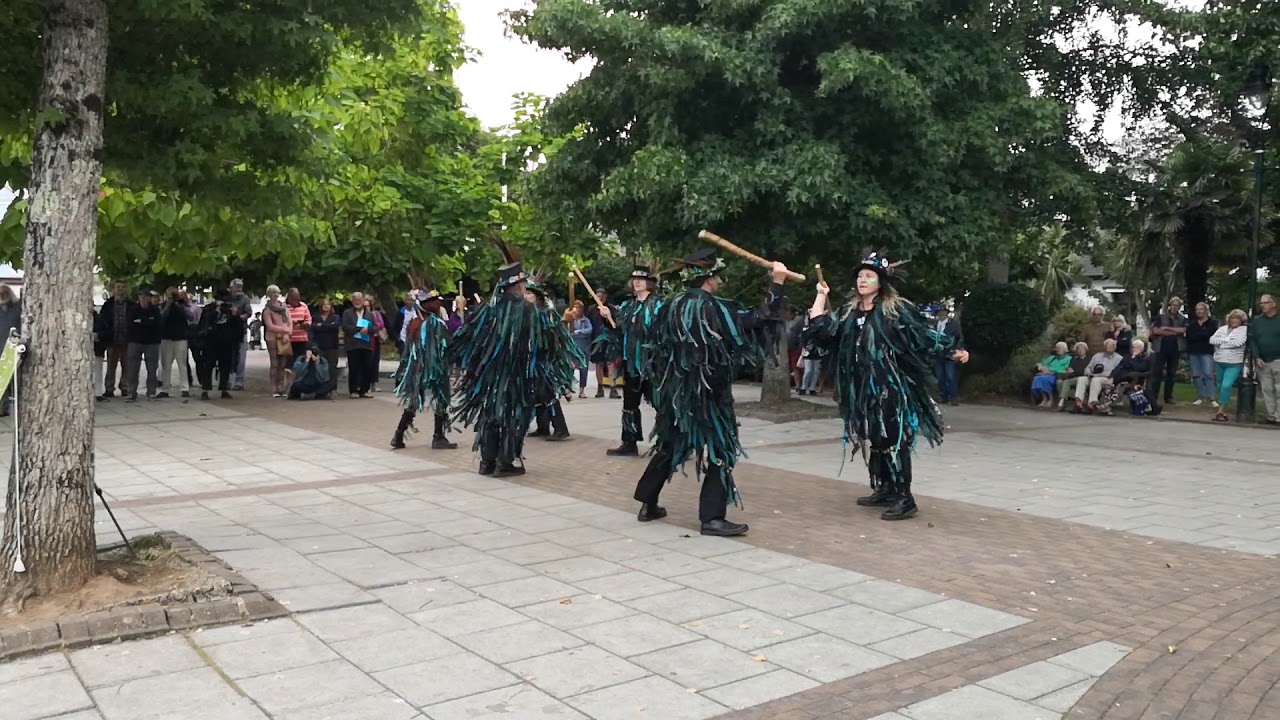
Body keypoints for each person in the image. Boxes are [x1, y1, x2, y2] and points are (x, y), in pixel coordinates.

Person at [632, 248, 790, 537]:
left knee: (671, 444)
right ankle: (712, 518)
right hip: (708, 394)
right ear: (708, 279)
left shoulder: (671, 305)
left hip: (676, 393)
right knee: (720, 448)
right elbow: (758, 317)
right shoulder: (714, 308)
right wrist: (777, 283)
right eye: (717, 276)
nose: (719, 281)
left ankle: (647, 501)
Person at [806, 251, 967, 521]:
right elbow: (819, 329)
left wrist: (953, 351)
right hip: (861, 388)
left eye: (869, 276)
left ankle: (905, 497)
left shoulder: (893, 310)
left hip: (890, 386)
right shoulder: (849, 313)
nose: (862, 280)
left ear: (881, 282)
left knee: (894, 438)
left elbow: (922, 336)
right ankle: (885, 488)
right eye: (859, 276)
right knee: (877, 437)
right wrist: (821, 295)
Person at [452, 258, 578, 476]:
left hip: (489, 374)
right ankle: (506, 462)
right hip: (517, 373)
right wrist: (563, 321)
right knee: (513, 414)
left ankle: (487, 462)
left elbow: (470, 338)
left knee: (491, 413)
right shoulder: (529, 311)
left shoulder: (487, 310)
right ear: (519, 286)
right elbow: (547, 340)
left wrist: (471, 368)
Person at [595, 266, 662, 456]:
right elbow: (618, 331)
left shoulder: (658, 305)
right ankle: (629, 442)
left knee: (660, 403)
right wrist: (608, 318)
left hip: (652, 364)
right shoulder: (627, 306)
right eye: (634, 279)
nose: (636, 282)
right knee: (630, 403)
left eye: (640, 279)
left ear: (649, 282)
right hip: (630, 362)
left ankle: (670, 441)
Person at [389, 289, 457, 450]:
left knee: (414, 400)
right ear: (427, 304)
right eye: (435, 301)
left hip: (417, 368)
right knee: (440, 397)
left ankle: (398, 435)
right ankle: (438, 436)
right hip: (434, 368)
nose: (439, 303)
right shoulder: (433, 323)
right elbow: (446, 345)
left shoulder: (415, 321)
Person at [525, 280, 581, 442]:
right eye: (526, 293)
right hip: (530, 359)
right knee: (536, 395)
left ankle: (561, 428)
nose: (527, 296)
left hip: (545, 360)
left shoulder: (546, 314)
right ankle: (543, 427)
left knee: (546, 393)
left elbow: (555, 334)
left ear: (538, 297)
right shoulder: (526, 314)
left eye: (530, 294)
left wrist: (563, 321)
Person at [193, 294, 244, 400]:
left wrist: (235, 315)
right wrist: (216, 311)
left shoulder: (230, 310)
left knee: (225, 366)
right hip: (211, 342)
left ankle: (224, 389)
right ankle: (205, 389)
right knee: (208, 365)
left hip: (227, 342)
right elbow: (204, 324)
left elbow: (238, 326)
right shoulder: (209, 309)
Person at [1147, 296, 1187, 407]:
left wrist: (1166, 329)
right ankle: (1154, 396)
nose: (1175, 307)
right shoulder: (1161, 317)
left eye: (1177, 305)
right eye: (1173, 305)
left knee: (1171, 374)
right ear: (1170, 305)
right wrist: (1173, 332)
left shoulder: (1182, 319)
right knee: (1157, 373)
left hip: (1175, 349)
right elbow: (1155, 330)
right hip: (1161, 348)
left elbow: (1183, 330)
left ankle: (1168, 397)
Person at [1210, 309, 1248, 422]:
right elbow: (1212, 340)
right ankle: (1224, 409)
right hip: (1219, 361)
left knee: (1226, 386)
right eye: (1232, 318)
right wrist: (1226, 340)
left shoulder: (1244, 330)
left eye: (1237, 318)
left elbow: (1238, 343)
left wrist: (1221, 344)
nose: (1234, 320)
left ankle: (1220, 411)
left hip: (1234, 363)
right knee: (1220, 386)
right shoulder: (1223, 329)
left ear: (1241, 320)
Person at [125, 289, 162, 402]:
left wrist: (141, 322)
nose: (144, 299)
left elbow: (157, 325)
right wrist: (147, 322)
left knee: (152, 369)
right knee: (132, 368)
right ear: (139, 297)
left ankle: (151, 392)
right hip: (135, 342)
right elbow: (129, 324)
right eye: (142, 296)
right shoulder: (132, 310)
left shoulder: (155, 310)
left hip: (151, 343)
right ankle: (131, 392)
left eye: (147, 297)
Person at [100, 281, 134, 398]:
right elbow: (103, 321)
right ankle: (109, 388)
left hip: (127, 339)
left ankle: (125, 387)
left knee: (127, 365)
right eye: (118, 287)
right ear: (113, 290)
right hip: (112, 339)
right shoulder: (108, 305)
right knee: (111, 366)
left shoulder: (131, 304)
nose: (120, 289)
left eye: (122, 287)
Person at [1250, 294, 1280, 424]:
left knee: (1279, 389)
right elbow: (1253, 340)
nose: (1262, 305)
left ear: (1273, 304)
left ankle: (1279, 415)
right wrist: (1257, 356)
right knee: (1267, 389)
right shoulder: (1257, 321)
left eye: (1265, 303)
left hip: (1278, 359)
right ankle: (1271, 414)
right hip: (1262, 360)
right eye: (1261, 303)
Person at [158, 287, 192, 399]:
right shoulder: (163, 305)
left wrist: (178, 304)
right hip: (166, 338)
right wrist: (169, 304)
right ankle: (165, 388)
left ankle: (184, 388)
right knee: (166, 365)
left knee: (182, 364)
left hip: (180, 337)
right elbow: (162, 317)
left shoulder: (182, 305)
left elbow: (189, 316)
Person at [1073, 339, 1123, 412]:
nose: (1112, 347)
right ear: (1104, 347)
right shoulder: (1097, 356)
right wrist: (1088, 373)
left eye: (1113, 346)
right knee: (1082, 379)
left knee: (1096, 380)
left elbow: (1111, 372)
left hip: (1105, 378)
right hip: (1092, 376)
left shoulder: (1118, 358)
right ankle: (1079, 402)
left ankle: (1091, 403)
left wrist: (1096, 375)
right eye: (1109, 346)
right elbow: (1088, 367)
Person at [587, 289, 620, 398]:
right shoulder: (591, 310)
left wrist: (608, 317)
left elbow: (616, 324)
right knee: (599, 364)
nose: (600, 298)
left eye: (602, 296)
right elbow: (588, 324)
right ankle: (600, 388)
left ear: (606, 296)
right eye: (598, 296)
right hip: (596, 340)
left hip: (610, 340)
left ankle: (613, 388)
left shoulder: (611, 309)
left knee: (611, 363)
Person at [341, 291, 375, 398]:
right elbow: (345, 327)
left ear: (363, 300)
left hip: (366, 344)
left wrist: (368, 329)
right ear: (352, 301)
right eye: (355, 300)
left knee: (367, 367)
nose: (357, 302)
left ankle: (365, 390)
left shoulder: (369, 314)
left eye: (359, 300)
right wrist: (359, 329)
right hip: (353, 344)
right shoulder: (347, 313)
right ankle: (353, 390)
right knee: (354, 368)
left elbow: (374, 328)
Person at [262, 285, 294, 397]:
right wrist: (284, 330)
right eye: (273, 292)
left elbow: (290, 323)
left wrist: (287, 332)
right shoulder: (267, 309)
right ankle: (274, 387)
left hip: (284, 338)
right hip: (272, 338)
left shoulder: (284, 308)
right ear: (269, 295)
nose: (275, 294)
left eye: (277, 292)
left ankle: (281, 386)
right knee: (274, 363)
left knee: (283, 363)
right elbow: (270, 326)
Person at [1186, 302, 1218, 406]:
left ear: (1205, 311)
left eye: (1201, 309)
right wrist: (1202, 335)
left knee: (1208, 374)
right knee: (1196, 375)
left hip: (1206, 352)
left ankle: (1212, 398)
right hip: (1194, 352)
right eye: (1197, 309)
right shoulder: (1192, 324)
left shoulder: (1212, 323)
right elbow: (1189, 337)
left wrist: (1199, 335)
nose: (1198, 311)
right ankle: (1200, 396)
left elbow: (1210, 335)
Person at [931, 306, 964, 406]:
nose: (941, 314)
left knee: (950, 376)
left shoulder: (953, 324)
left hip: (950, 353)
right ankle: (943, 396)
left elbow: (960, 337)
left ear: (946, 313)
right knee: (940, 376)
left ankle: (953, 397)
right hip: (938, 354)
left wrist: (956, 349)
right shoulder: (935, 325)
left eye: (943, 312)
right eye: (939, 313)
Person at [311, 299, 342, 388]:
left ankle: (332, 388)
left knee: (332, 368)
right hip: (319, 345)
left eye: (328, 304)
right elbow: (313, 328)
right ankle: (320, 388)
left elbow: (335, 327)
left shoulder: (335, 317)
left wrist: (321, 326)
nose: (326, 306)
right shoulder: (315, 317)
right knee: (319, 367)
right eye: (324, 304)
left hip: (332, 345)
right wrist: (328, 326)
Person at [228, 279, 253, 390]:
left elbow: (248, 313)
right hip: (227, 331)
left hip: (240, 330)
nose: (238, 289)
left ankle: (239, 382)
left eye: (240, 287)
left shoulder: (245, 299)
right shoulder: (228, 299)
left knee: (241, 357)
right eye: (236, 287)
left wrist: (238, 316)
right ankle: (227, 381)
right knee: (228, 356)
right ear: (231, 287)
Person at [1030, 342, 1071, 408]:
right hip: (1046, 374)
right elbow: (1043, 363)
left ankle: (1051, 399)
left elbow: (1065, 370)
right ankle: (1044, 398)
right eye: (1057, 348)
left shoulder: (1069, 359)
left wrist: (1050, 369)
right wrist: (1040, 366)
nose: (1058, 349)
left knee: (1044, 379)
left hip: (1057, 376)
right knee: (1037, 378)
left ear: (1065, 350)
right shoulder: (1052, 358)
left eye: (1060, 348)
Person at [0, 285, 20, 415]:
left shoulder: (17, 308)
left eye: (4, 293)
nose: (2, 296)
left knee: (15, 379)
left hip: (13, 348)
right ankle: (3, 407)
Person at [1056, 342, 1091, 410]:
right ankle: (1062, 400)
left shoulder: (1089, 359)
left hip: (1085, 378)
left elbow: (1084, 371)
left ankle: (1062, 403)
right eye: (1078, 349)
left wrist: (1075, 372)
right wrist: (1071, 371)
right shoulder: (1074, 359)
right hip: (1074, 377)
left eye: (1082, 349)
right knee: (1066, 381)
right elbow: (1071, 369)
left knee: (1074, 381)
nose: (1080, 350)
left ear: (1086, 349)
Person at [569, 301, 593, 399]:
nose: (577, 309)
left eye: (579, 307)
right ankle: (568, 389)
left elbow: (589, 330)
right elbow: (567, 332)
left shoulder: (585, 320)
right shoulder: (570, 320)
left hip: (584, 348)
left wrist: (578, 332)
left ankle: (582, 390)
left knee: (584, 369)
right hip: (572, 347)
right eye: (576, 307)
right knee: (570, 369)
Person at [285, 288, 311, 359]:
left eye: (297, 298)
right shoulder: (283, 307)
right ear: (289, 297)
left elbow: (308, 319)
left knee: (300, 360)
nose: (296, 301)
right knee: (288, 361)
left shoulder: (304, 306)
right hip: (287, 339)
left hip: (301, 338)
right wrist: (291, 324)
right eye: (294, 299)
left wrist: (305, 324)